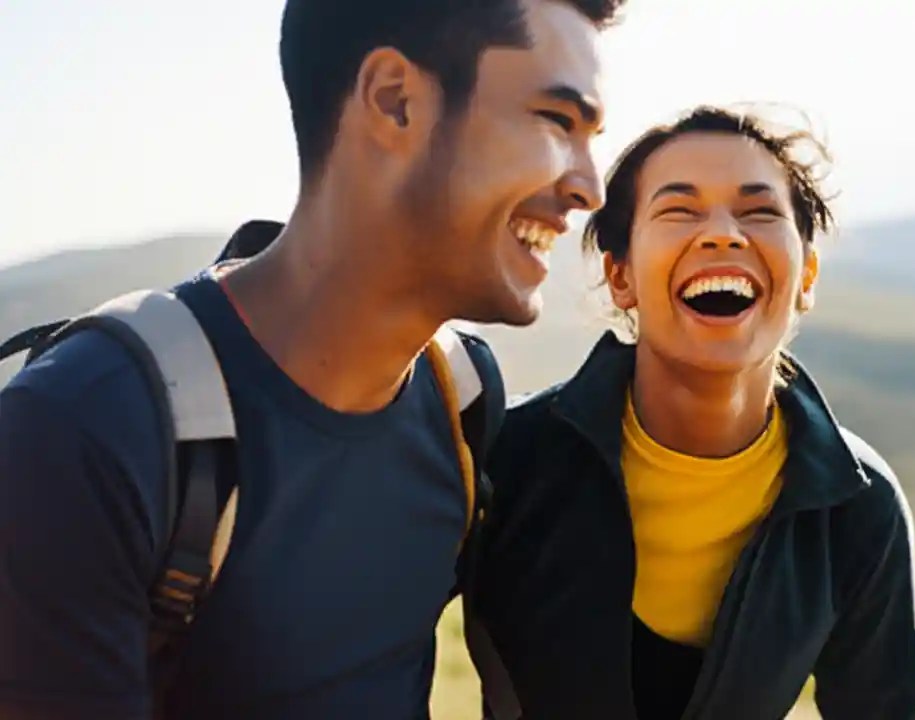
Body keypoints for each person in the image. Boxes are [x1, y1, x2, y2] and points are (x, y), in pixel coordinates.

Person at [0, 0, 622, 717]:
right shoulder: (86, 427)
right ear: (395, 102)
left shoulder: (464, 402)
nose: (590, 188)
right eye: (557, 122)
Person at [465, 106, 915, 720]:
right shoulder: (506, 458)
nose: (724, 235)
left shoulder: (856, 505)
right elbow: (365, 646)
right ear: (620, 275)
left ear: (807, 277)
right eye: (679, 210)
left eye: (760, 211)